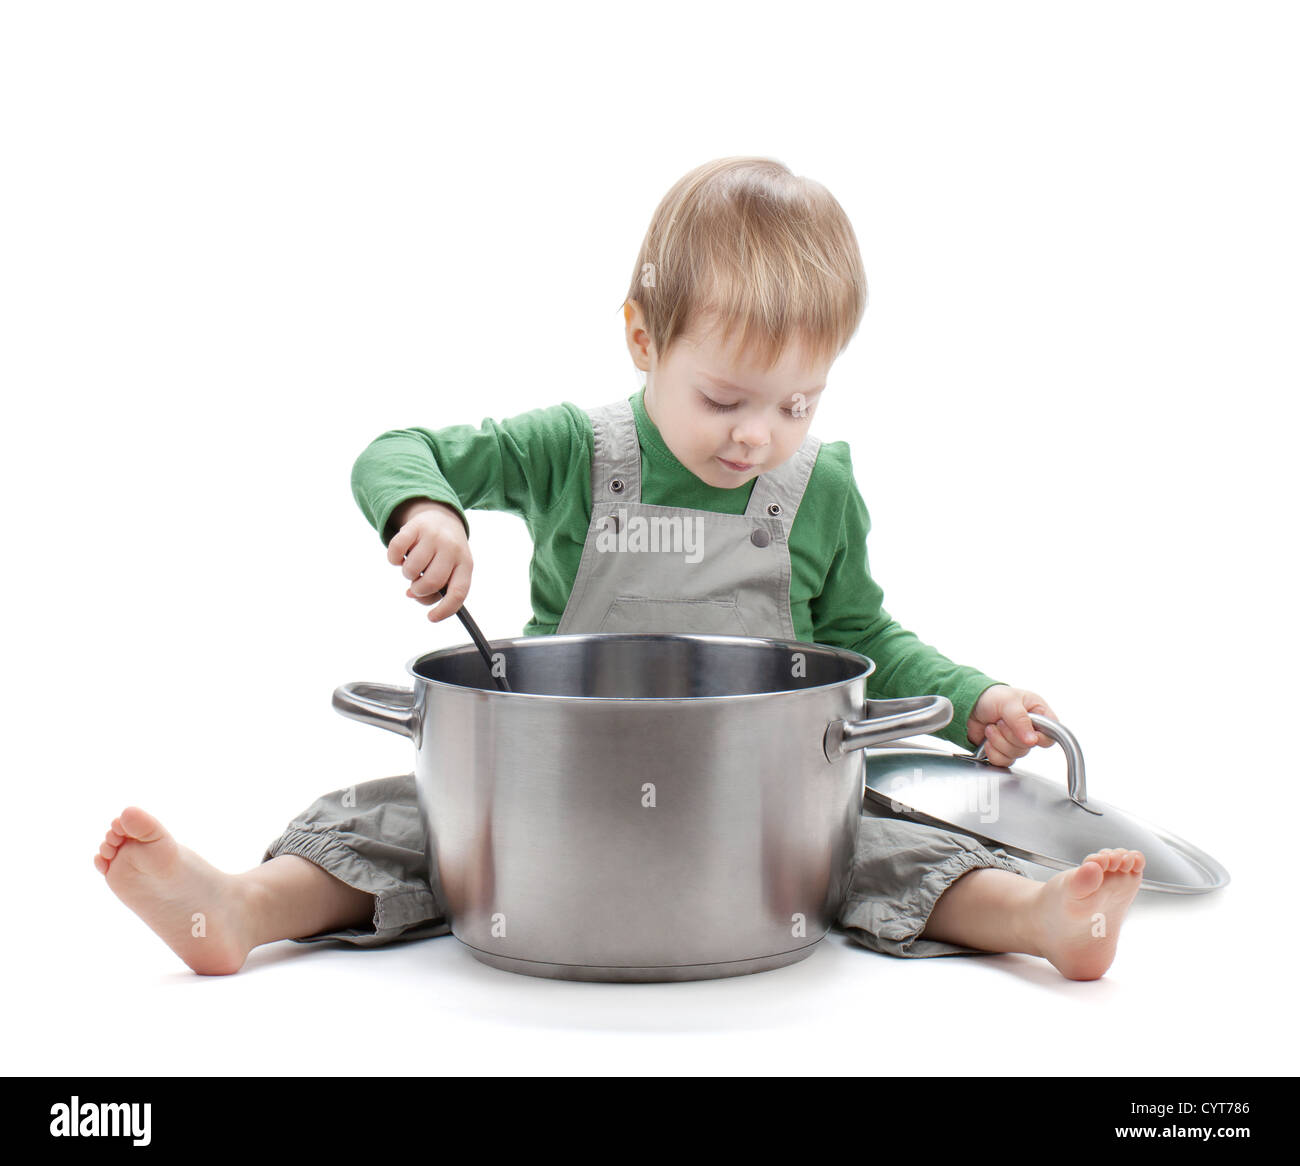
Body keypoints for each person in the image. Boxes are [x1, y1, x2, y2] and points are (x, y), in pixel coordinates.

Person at [95, 156, 1145, 981]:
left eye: (798, 402)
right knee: (398, 817)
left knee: (879, 842)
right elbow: (394, 449)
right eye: (725, 398)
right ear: (643, 337)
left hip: (764, 805)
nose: (757, 438)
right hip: (549, 786)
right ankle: (238, 907)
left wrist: (973, 701)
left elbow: (865, 637)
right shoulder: (574, 450)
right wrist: (429, 511)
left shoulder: (816, 488)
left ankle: (1040, 918)